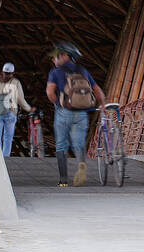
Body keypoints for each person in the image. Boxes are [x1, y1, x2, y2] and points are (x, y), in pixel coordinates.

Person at [45, 40, 105, 187]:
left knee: (61, 145)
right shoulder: (83, 71)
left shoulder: (55, 72)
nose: (54, 59)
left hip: (63, 112)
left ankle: (63, 180)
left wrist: (57, 104)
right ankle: (81, 166)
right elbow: (97, 90)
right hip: (81, 113)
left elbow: (50, 92)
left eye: (56, 56)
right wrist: (103, 104)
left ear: (65, 55)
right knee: (79, 143)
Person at [0, 62, 32, 157]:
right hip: (11, 113)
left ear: (2, 71)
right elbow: (20, 99)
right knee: (8, 137)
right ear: (12, 73)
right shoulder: (16, 82)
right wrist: (29, 109)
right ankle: (6, 157)